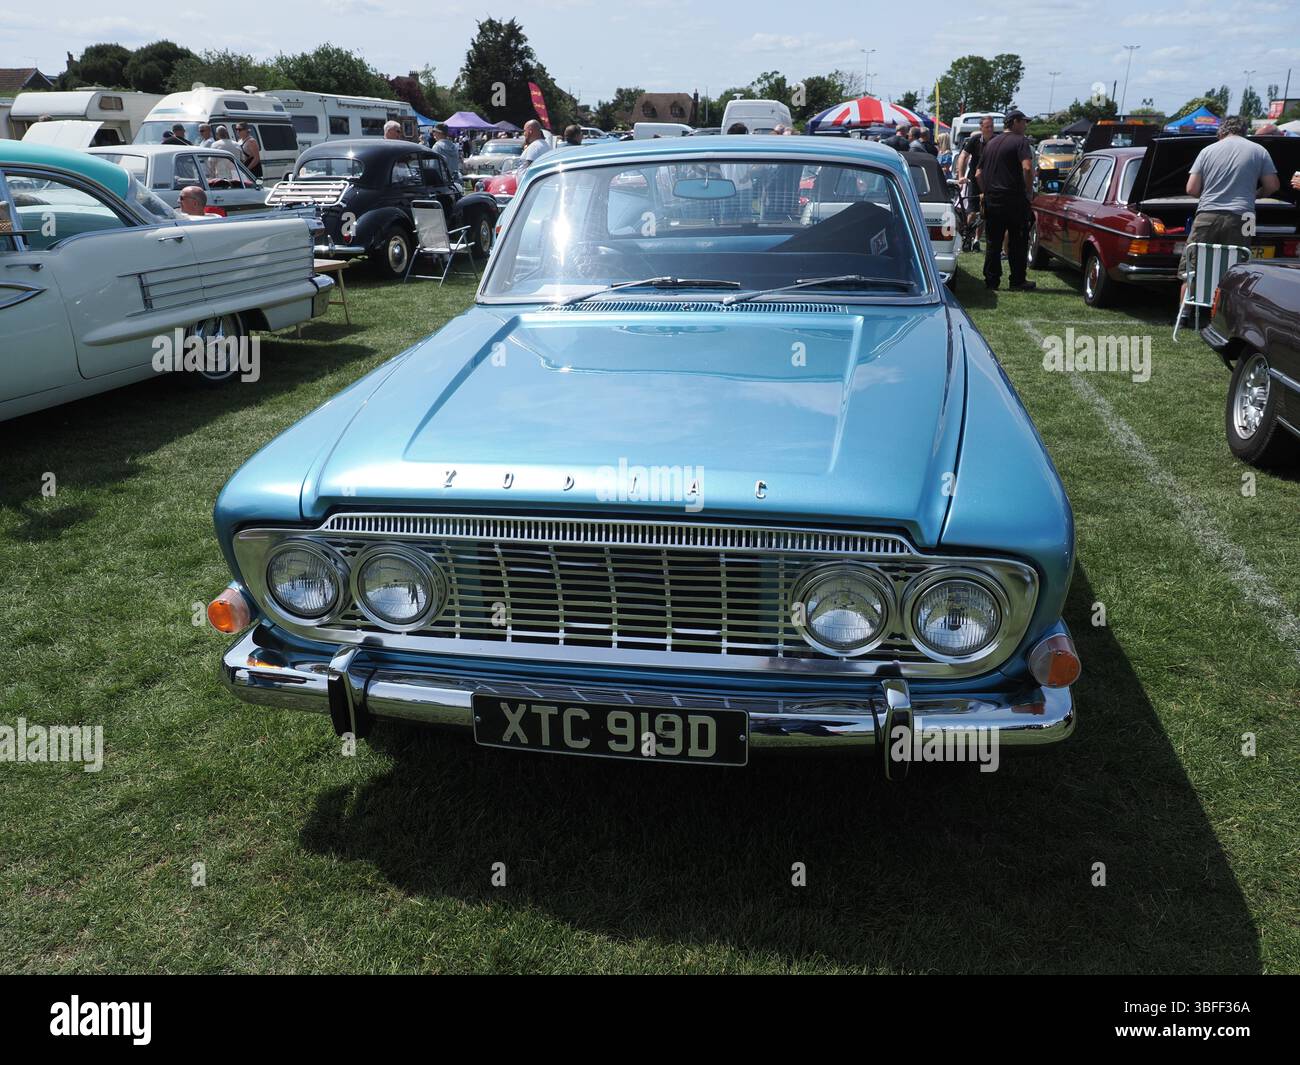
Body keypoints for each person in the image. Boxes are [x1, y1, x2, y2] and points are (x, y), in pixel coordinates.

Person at [1180, 115, 1279, 298]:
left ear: (1221, 131)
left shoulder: (1207, 151)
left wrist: (1210, 196)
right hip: (1245, 216)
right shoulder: (1259, 151)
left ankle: (1185, 314)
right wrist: (1255, 196)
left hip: (1207, 214)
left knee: (1193, 265)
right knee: (1239, 267)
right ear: (1244, 131)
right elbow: (1273, 185)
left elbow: (1191, 188)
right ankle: (1226, 314)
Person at [975, 109, 1035, 291]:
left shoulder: (991, 143)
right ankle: (1017, 280)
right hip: (1014, 199)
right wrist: (1029, 191)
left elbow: (978, 174)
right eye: (1024, 122)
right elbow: (1027, 168)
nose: (1025, 125)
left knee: (993, 242)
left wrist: (986, 191)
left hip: (993, 199)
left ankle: (991, 281)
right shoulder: (1021, 142)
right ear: (1015, 122)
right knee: (1018, 242)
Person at [956, 115, 995, 250]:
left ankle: (977, 240)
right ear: (981, 128)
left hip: (990, 181)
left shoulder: (996, 140)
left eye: (992, 126)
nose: (990, 129)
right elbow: (963, 156)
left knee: (984, 212)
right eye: (987, 127)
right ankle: (968, 236)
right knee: (972, 212)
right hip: (974, 179)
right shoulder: (975, 140)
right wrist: (961, 176)